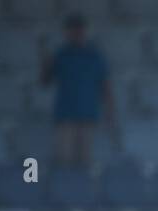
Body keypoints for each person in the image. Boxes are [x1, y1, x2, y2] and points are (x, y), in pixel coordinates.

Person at [40, 13, 114, 168]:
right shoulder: (60, 55)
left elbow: (105, 86)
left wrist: (109, 112)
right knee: (64, 161)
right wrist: (45, 61)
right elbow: (45, 82)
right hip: (65, 116)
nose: (77, 33)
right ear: (67, 32)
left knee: (85, 163)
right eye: (72, 30)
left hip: (88, 115)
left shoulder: (95, 56)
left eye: (80, 29)